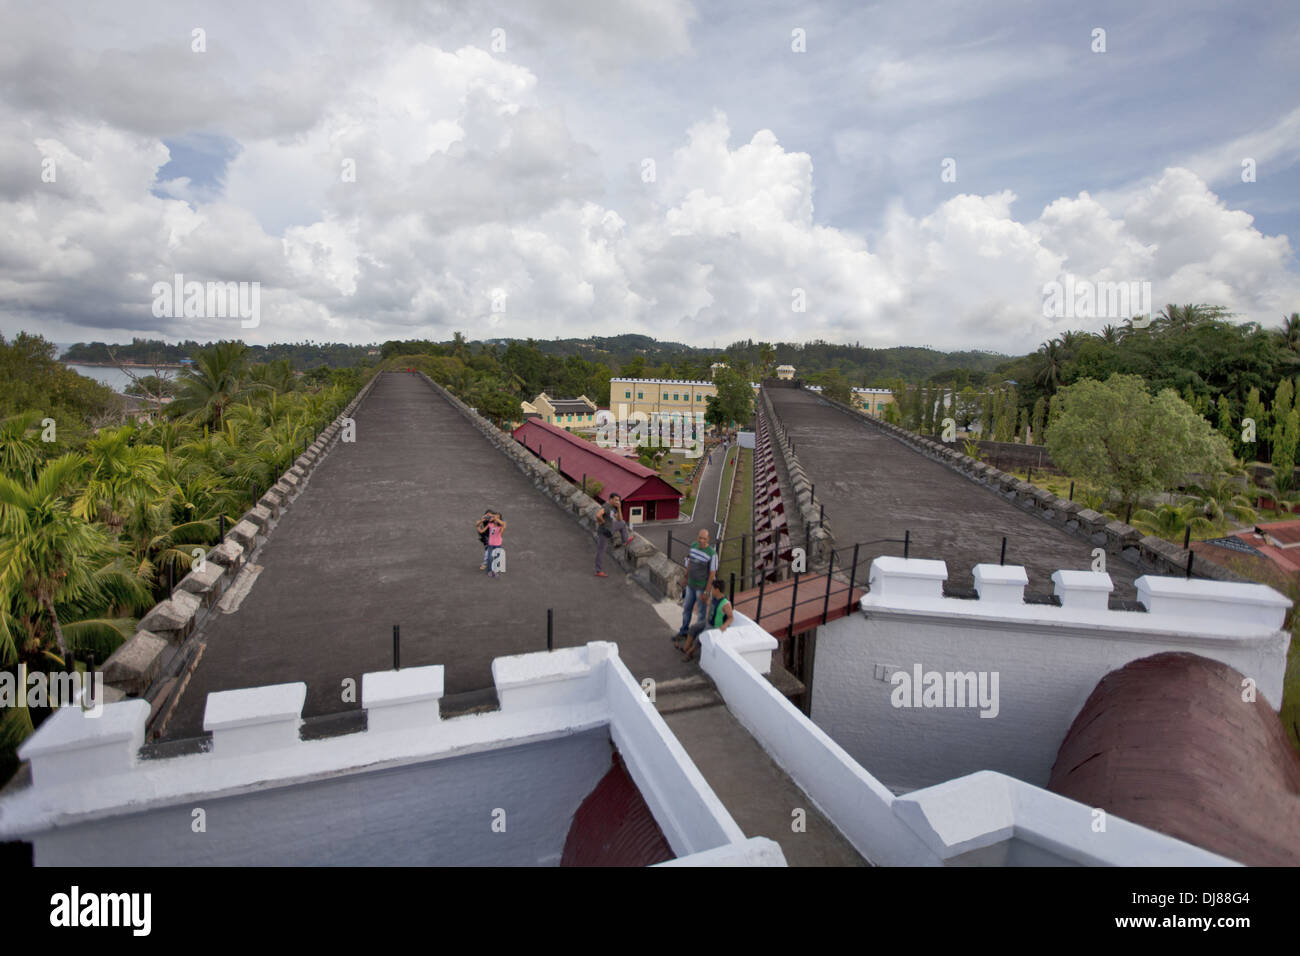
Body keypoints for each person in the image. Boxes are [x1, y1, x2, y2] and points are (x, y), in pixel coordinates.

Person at [676, 528, 717, 638]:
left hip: (701, 588)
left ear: (708, 539)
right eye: (700, 538)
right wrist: (685, 577)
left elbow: (712, 574)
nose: (701, 540)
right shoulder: (693, 546)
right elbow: (690, 562)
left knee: (701, 614)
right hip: (690, 585)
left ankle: (699, 636)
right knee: (686, 609)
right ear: (697, 537)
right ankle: (684, 630)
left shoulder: (712, 554)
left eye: (704, 538)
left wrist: (707, 592)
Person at [678, 577, 732, 661]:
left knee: (700, 637)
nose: (711, 591)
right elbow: (711, 604)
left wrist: (724, 626)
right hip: (708, 621)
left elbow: (731, 617)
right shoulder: (715, 598)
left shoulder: (726, 604)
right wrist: (703, 600)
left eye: (713, 589)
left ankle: (690, 653)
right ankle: (686, 647)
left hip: (715, 626)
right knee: (693, 628)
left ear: (717, 590)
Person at [595, 493, 634, 577]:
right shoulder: (606, 506)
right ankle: (598, 571)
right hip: (604, 531)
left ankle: (625, 541)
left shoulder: (614, 508)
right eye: (616, 500)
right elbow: (598, 515)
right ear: (610, 499)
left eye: (618, 500)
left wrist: (619, 507)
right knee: (601, 550)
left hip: (611, 527)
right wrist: (602, 522)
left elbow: (620, 519)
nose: (617, 501)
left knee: (622, 523)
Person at [484, 512, 506, 577]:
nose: (496, 518)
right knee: (490, 558)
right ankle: (489, 570)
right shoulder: (490, 524)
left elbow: (503, 524)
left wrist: (495, 517)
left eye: (498, 517)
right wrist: (492, 516)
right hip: (490, 544)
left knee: (497, 558)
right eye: (495, 517)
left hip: (498, 544)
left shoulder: (502, 525)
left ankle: (495, 571)